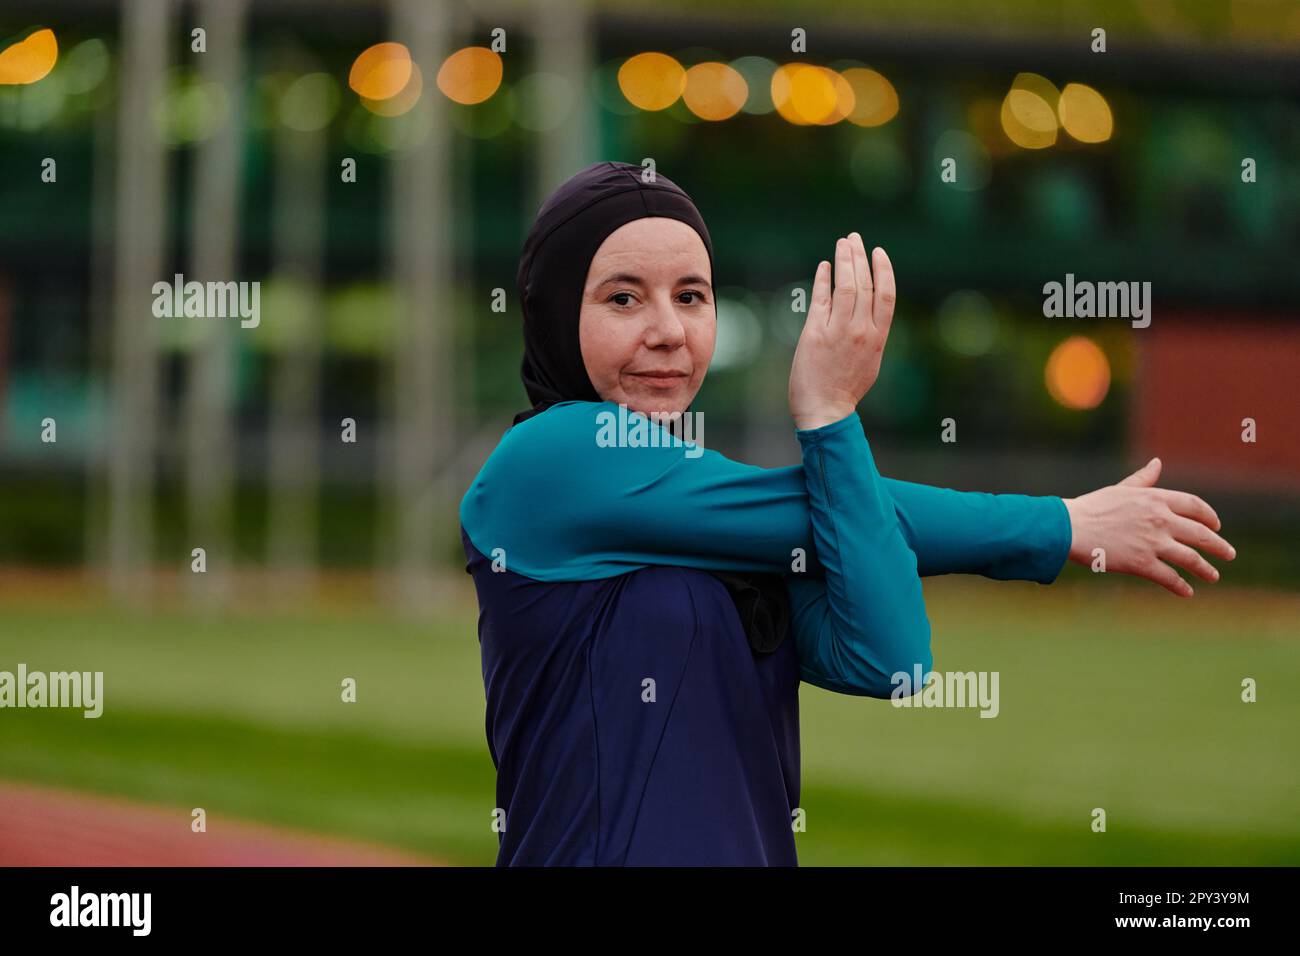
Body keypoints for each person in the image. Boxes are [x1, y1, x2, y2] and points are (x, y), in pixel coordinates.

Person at [459, 161, 1235, 866]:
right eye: (623, 297)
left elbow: (891, 659)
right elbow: (819, 508)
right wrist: (1060, 525)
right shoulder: (548, 458)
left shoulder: (716, 519)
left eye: (691, 296)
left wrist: (835, 424)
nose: (667, 331)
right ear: (557, 312)